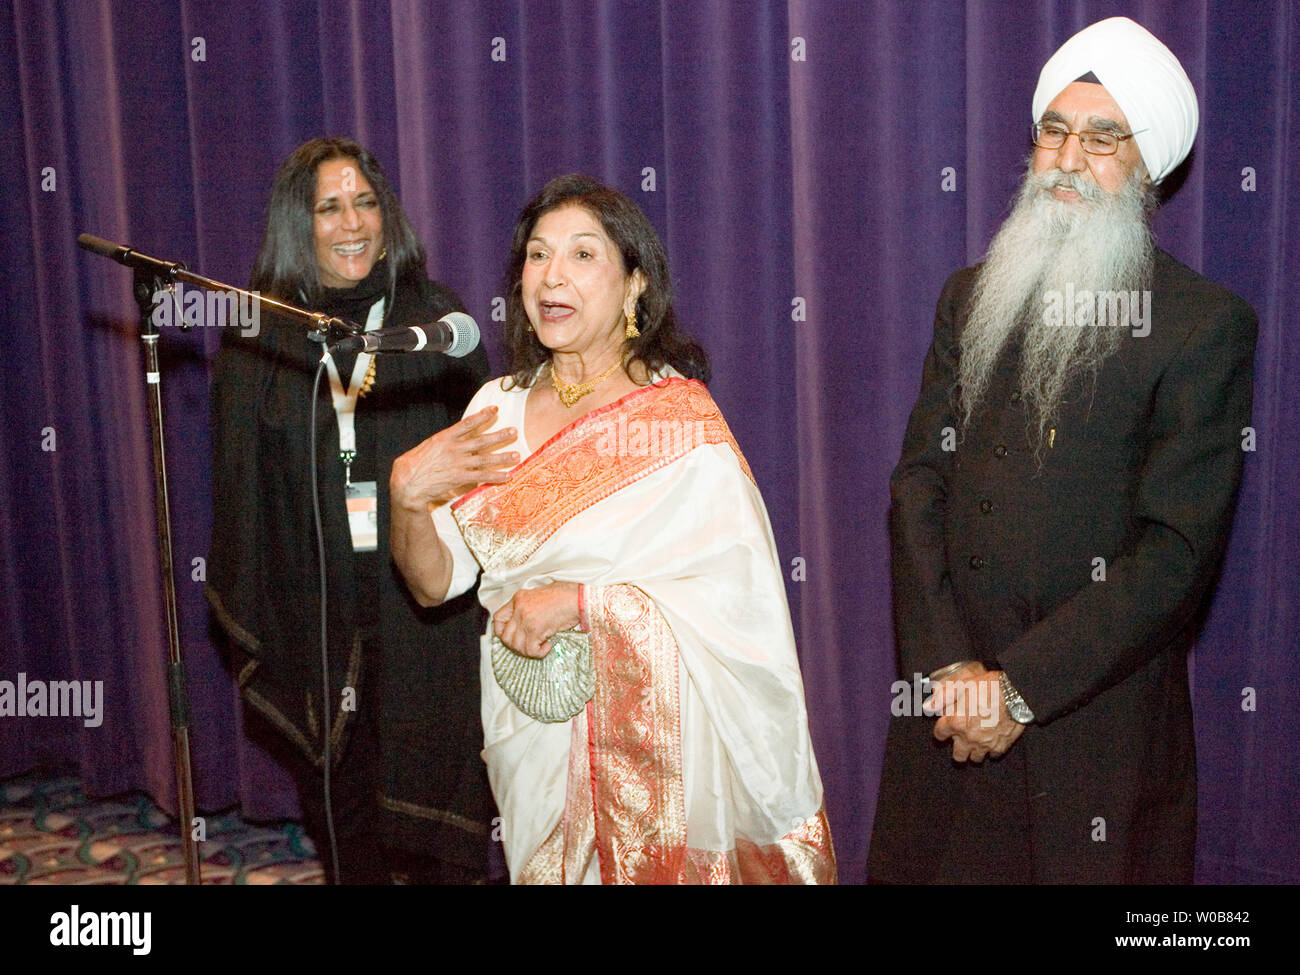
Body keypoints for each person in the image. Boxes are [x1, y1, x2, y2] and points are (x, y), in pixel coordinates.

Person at [868, 17, 1257, 884]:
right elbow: (918, 485)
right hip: (949, 715)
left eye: (1102, 138)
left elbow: (1176, 552)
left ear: (1147, 166)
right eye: (1054, 131)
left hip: (1093, 728)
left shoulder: (1203, 323)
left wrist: (1019, 686)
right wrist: (952, 670)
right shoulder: (970, 296)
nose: (1069, 159)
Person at [389, 174, 835, 884]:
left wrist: (581, 603)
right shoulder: (494, 409)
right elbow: (434, 581)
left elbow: (739, 606)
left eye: (582, 255)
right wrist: (408, 498)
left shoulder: (679, 423)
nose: (552, 277)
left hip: (669, 751)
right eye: (537, 255)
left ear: (635, 286)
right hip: (534, 731)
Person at [206, 137, 493, 884]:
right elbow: (242, 493)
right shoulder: (258, 333)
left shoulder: (437, 319)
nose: (352, 223)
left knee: (433, 774)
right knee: (342, 792)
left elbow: (486, 476)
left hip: (422, 600)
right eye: (328, 208)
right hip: (316, 600)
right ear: (297, 226)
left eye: (365, 202)